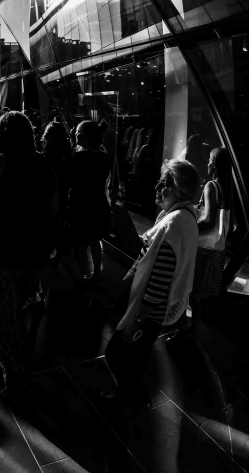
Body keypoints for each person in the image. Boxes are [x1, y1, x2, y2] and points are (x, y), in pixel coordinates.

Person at [103, 159, 200, 415]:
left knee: (116, 353)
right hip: (154, 310)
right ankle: (129, 397)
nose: (158, 188)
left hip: (150, 310)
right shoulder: (184, 217)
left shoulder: (173, 225)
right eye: (160, 182)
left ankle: (134, 398)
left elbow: (159, 281)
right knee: (137, 357)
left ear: (182, 190)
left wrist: (138, 319)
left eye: (166, 185)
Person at [0, 112, 57, 397]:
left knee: (1, 316)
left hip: (4, 250)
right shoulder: (43, 163)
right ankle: (3, 348)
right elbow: (53, 208)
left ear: (2, 133)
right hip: (35, 250)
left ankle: (16, 379)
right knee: (25, 304)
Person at [169, 147, 232, 342]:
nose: (207, 163)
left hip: (203, 248)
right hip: (217, 249)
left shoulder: (211, 186)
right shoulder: (227, 187)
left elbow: (209, 220)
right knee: (199, 296)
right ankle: (193, 330)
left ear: (214, 164)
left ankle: (185, 331)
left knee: (188, 291)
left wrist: (188, 229)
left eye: (210, 160)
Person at [68, 120, 112, 281]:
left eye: (78, 133)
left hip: (81, 204)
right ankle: (97, 273)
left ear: (85, 136)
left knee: (80, 244)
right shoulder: (103, 157)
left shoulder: (78, 158)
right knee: (95, 240)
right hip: (98, 203)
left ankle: (81, 275)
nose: (75, 135)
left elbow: (71, 180)